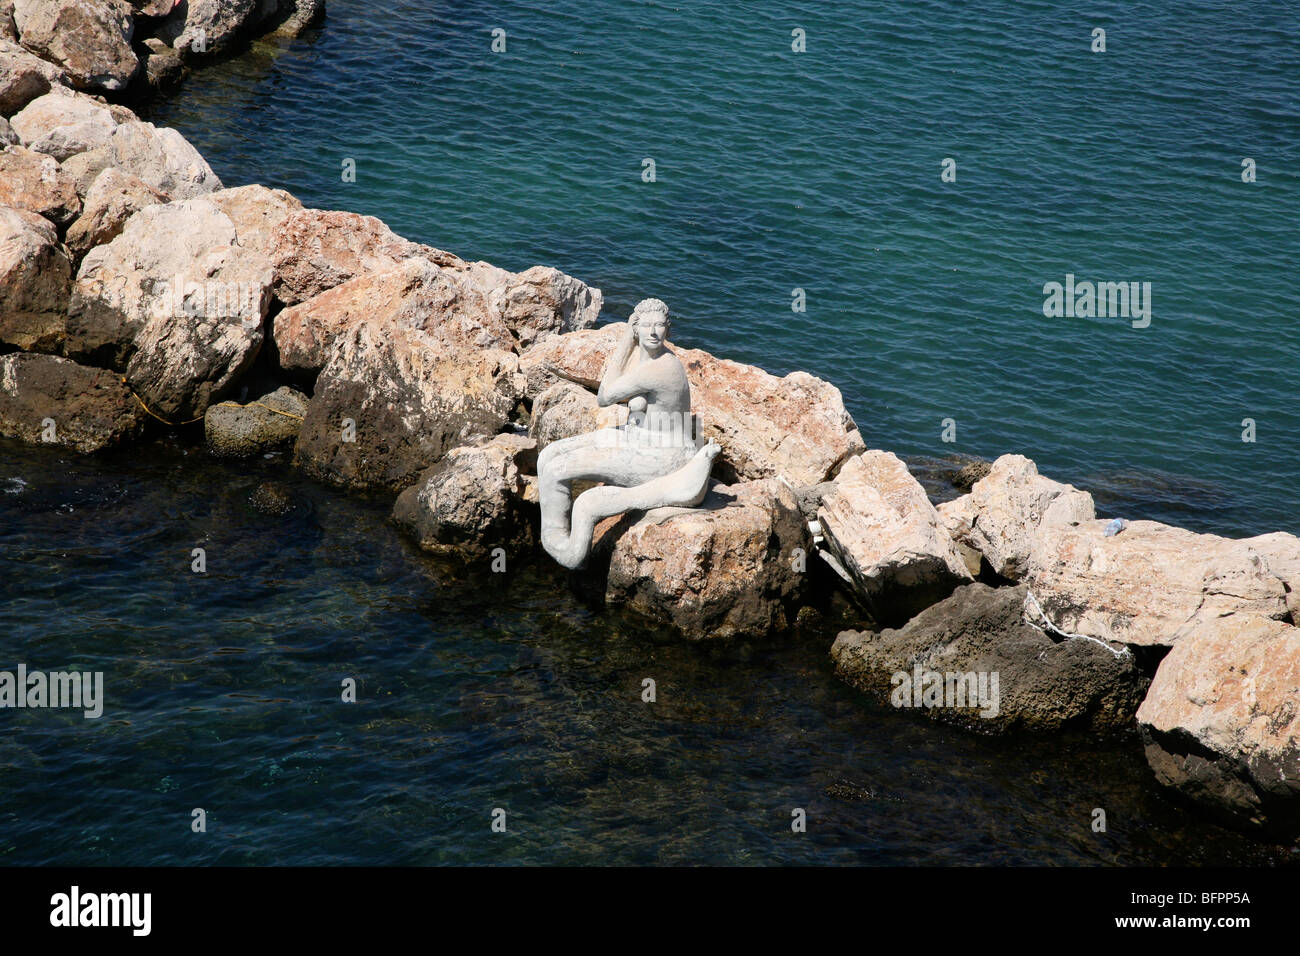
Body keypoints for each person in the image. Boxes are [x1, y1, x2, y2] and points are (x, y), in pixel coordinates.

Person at [538, 298, 718, 569]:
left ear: (668, 329)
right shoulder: (643, 358)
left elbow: (604, 396)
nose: (653, 332)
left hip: (664, 454)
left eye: (660, 325)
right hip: (639, 437)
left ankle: (569, 553)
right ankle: (553, 536)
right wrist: (630, 339)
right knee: (549, 454)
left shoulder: (663, 367)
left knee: (556, 470)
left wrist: (625, 339)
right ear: (637, 328)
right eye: (646, 326)